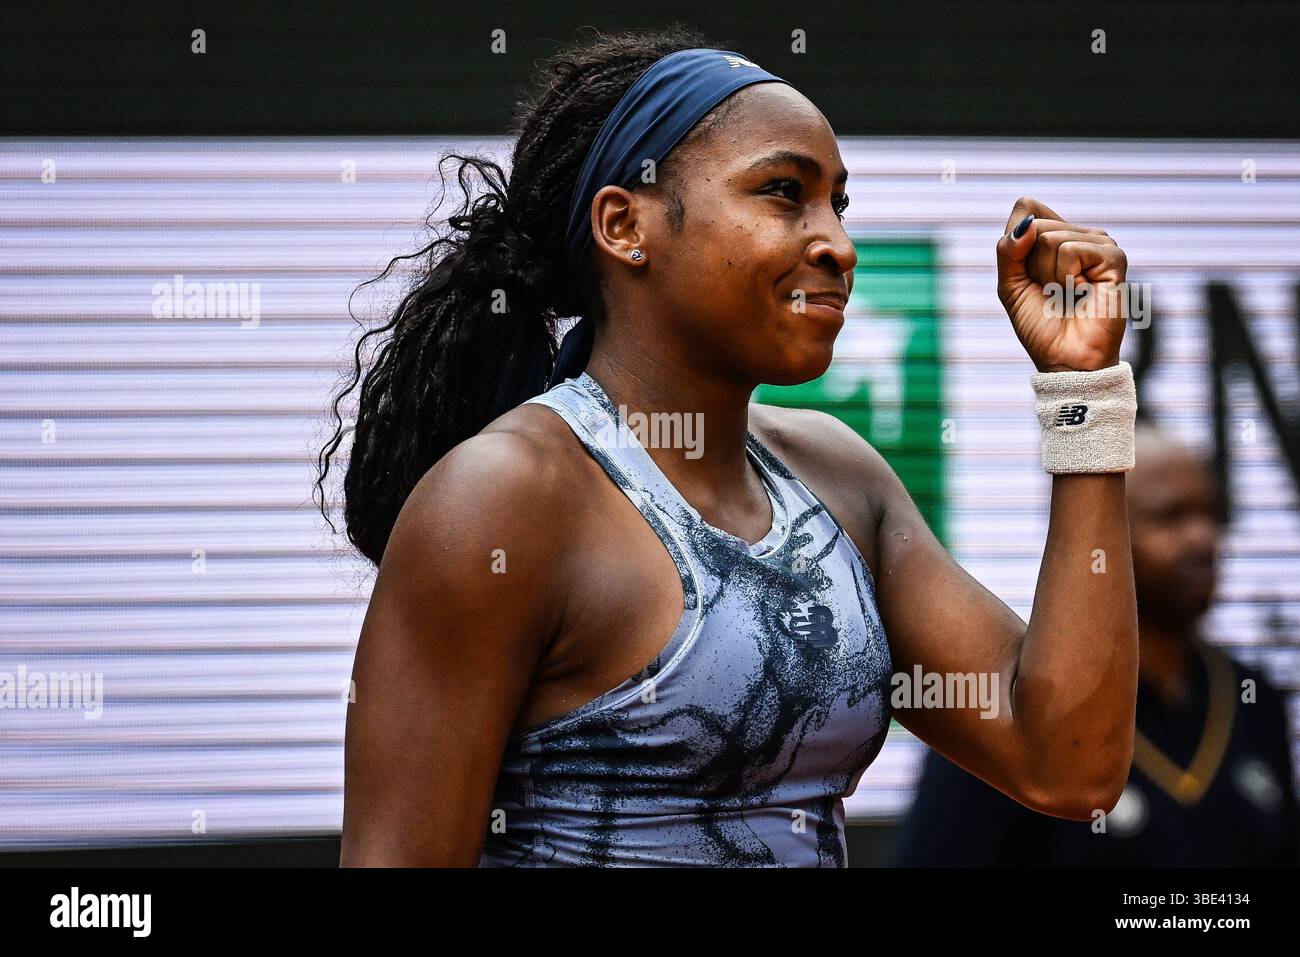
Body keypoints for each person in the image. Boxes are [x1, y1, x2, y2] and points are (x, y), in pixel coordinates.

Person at [325, 25, 1141, 867]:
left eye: (839, 203)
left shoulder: (840, 480)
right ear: (625, 223)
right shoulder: (502, 498)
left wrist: (1084, 390)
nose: (838, 244)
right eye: (784, 192)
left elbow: (1066, 762)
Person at [892, 422, 1299, 866]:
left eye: (1210, 516)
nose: (1203, 539)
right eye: (1171, 516)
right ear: (1098, 536)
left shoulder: (1253, 699)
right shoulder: (1009, 704)